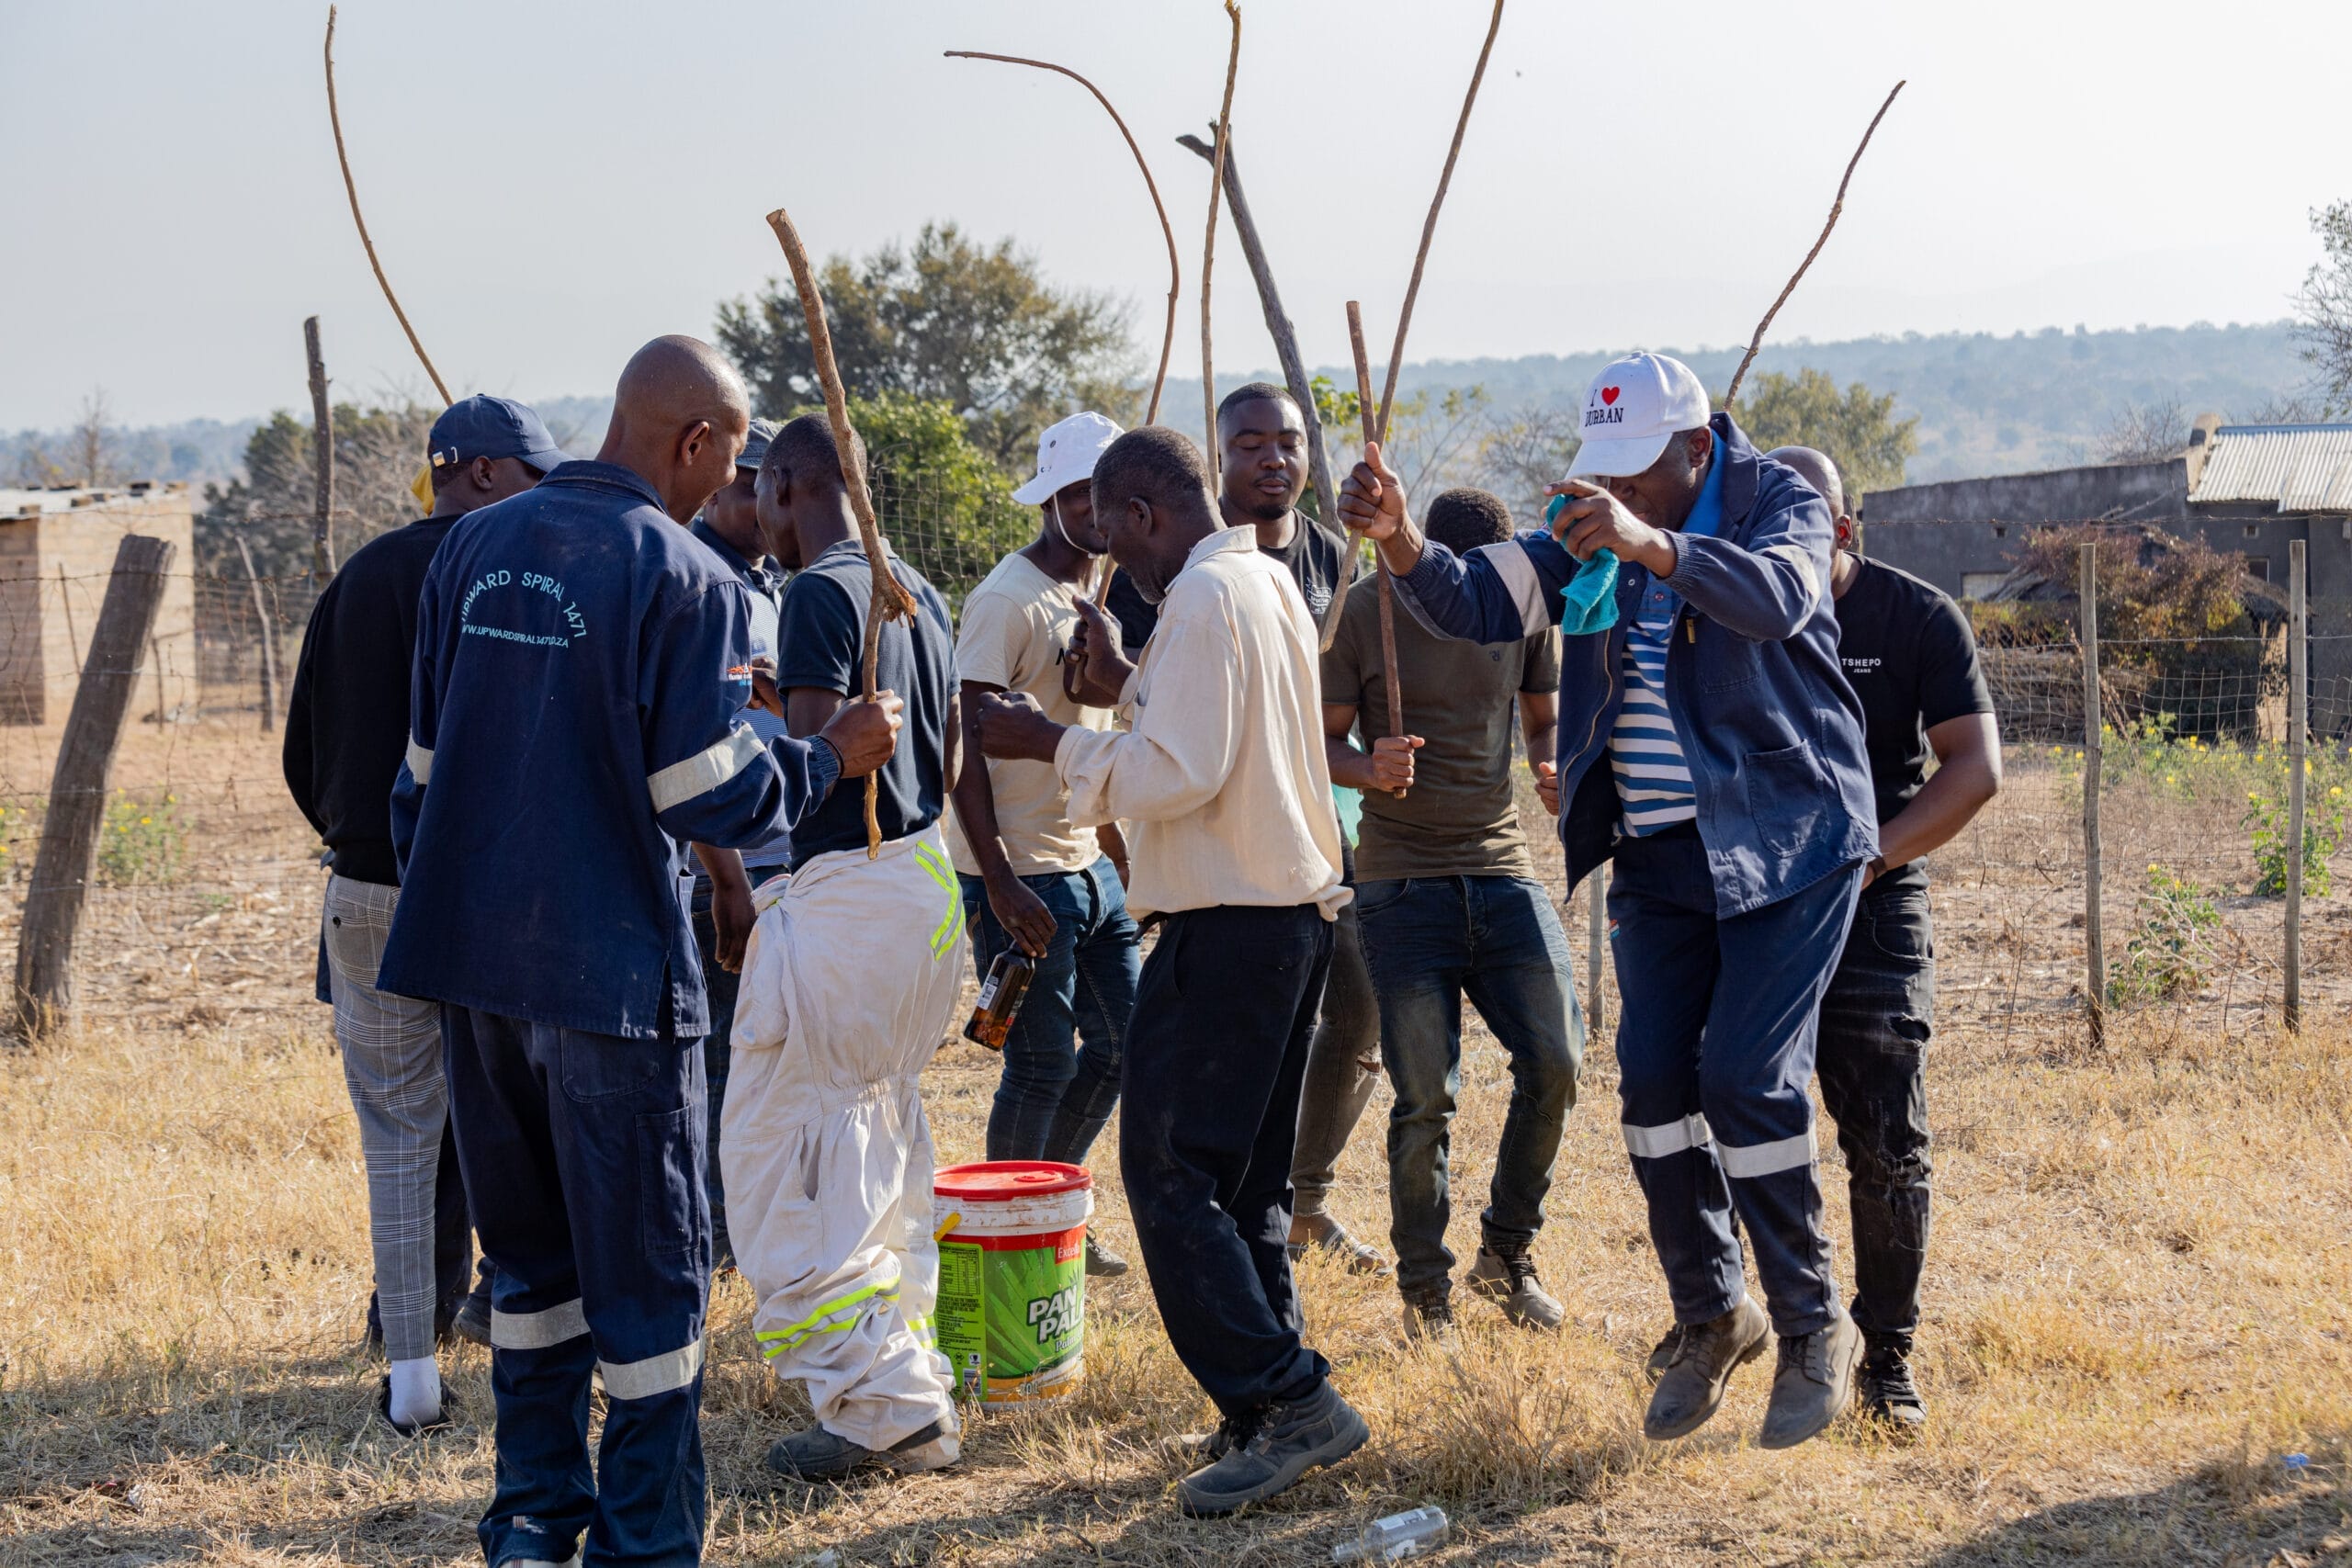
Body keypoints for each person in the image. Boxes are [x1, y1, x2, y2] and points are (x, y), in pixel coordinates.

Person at [379, 336, 903, 1567]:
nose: (733, 483)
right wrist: (829, 757)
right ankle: (647, 1544)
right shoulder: (686, 574)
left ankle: (530, 1524)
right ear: (696, 441)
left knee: (530, 1270)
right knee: (651, 1282)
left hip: (475, 973)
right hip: (611, 979)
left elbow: (421, 778)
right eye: (732, 458)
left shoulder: (471, 546)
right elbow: (708, 788)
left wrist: (477, 902)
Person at [1341, 351, 1881, 1452]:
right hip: (1659, 857)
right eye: (1609, 472)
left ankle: (1810, 1323)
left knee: (1745, 1078)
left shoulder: (1776, 501)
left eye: (1640, 472)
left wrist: (1651, 545)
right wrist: (1398, 539)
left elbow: (1779, 599)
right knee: (1650, 1091)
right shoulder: (1594, 525)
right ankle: (1710, 1315)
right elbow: (1472, 598)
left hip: (1786, 840)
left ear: (1698, 450)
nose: (1619, 491)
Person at [977, 425, 1368, 1517]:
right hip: (1285, 917)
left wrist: (1050, 740)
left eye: (1115, 536)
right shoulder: (1263, 579)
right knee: (1242, 1184)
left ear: (1144, 515)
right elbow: (1216, 722)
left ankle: (1289, 1398)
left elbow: (1177, 772)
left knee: (1164, 1172)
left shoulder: (1198, 597)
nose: (1116, 562)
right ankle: (1262, 1407)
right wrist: (1127, 681)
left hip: (1228, 920)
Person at [283, 394, 567, 1433]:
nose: (544, 498)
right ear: (484, 473)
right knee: (534, 1121)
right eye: (533, 476)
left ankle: (411, 1376)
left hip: (363, 891)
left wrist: (361, 837)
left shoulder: (359, 577)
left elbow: (301, 756)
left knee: (401, 1141)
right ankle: (530, 1332)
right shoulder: (519, 578)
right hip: (490, 895)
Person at [1714, 445, 1998, 1434]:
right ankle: (1767, 1328)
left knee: (1885, 1142)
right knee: (1734, 1118)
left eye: (1798, 523)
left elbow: (1974, 769)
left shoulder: (1916, 616)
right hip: (1751, 903)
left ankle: (1887, 1358)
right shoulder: (1728, 608)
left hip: (1873, 902)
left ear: (1838, 529)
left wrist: (1869, 857)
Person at [723, 412, 967, 1484]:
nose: (755, 517)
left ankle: (882, 1405)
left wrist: (777, 729)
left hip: (849, 897)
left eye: (759, 494)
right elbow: (932, 754)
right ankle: (903, 1387)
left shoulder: (821, 591)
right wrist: (800, 707)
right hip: (921, 884)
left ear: (784, 486)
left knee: (794, 1159)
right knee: (876, 1145)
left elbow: (830, 757)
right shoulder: (916, 588)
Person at [1325, 485, 1582, 1345]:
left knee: (1557, 1059)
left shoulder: (1525, 608)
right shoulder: (1365, 611)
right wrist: (1369, 767)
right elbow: (1318, 741)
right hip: (1399, 882)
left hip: (1501, 867)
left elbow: (1544, 722)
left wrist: (1552, 766)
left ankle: (1506, 1252)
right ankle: (1425, 1291)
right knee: (1426, 1095)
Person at [944, 412, 1139, 1279]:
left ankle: (1050, 1205)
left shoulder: (1100, 599)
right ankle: (1005, 1243)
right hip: (1021, 874)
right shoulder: (1005, 600)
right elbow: (961, 749)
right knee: (1037, 1065)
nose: (1097, 510)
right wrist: (997, 881)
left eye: (1109, 494)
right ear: (1049, 499)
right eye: (1080, 494)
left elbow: (1090, 733)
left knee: (1124, 1046)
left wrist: (1116, 848)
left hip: (1089, 866)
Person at [1216, 382, 1388, 1274]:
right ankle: (1236, 1206)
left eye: (1286, 442)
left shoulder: (1334, 554)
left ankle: (1303, 1201)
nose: (1272, 459)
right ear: (1220, 456)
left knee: (1360, 1002)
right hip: (1228, 828)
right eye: (1250, 444)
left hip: (1327, 821)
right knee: (1251, 1024)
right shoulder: (1197, 557)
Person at [683, 415, 787, 1271]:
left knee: (768, 1060)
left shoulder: (773, 581)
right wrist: (728, 882)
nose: (765, 502)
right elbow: (689, 747)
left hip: (779, 856)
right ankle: (715, 1235)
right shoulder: (698, 578)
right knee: (719, 1062)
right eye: (752, 483)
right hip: (721, 870)